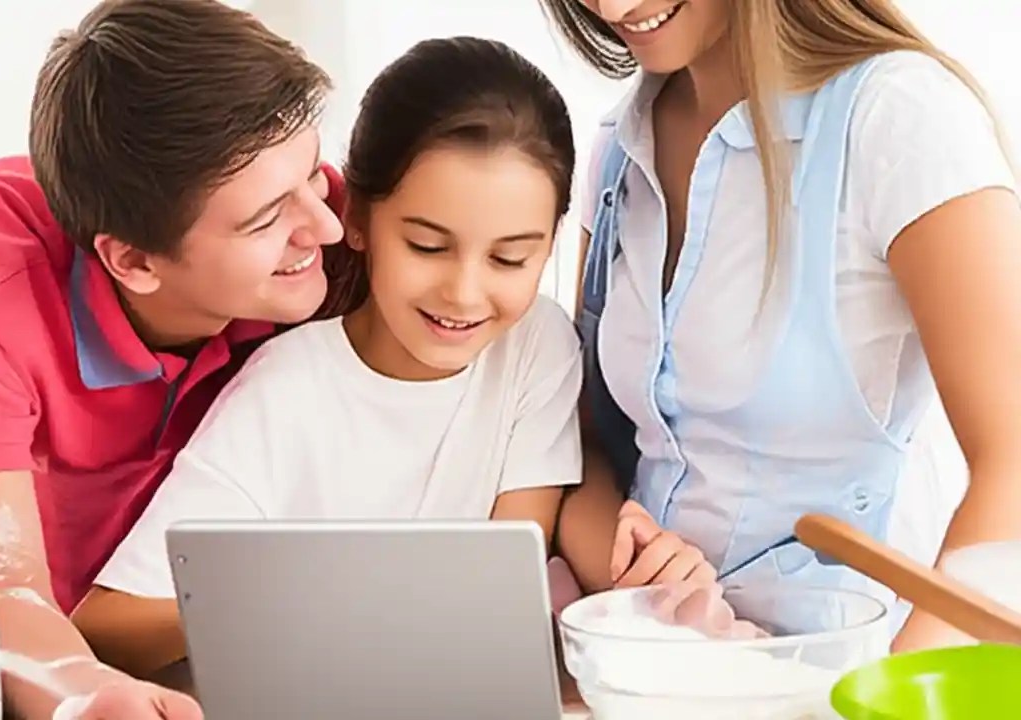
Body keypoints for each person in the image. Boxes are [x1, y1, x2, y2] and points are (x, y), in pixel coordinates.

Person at [69, 35, 717, 674]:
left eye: (510, 258)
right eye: (428, 247)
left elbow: (501, 582)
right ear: (356, 216)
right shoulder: (285, 390)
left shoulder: (535, 345)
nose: (463, 293)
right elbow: (110, 626)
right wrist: (308, 604)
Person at [0, 1, 353, 717]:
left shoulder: (327, 235)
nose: (323, 224)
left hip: (210, 666)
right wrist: (87, 696)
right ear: (132, 261)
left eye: (312, 173)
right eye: (265, 220)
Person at [540, 0, 1021, 651]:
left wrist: (891, 696)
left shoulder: (901, 119)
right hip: (664, 671)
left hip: (852, 676)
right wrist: (642, 580)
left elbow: (1012, 463)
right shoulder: (619, 149)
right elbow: (584, 445)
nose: (614, 7)